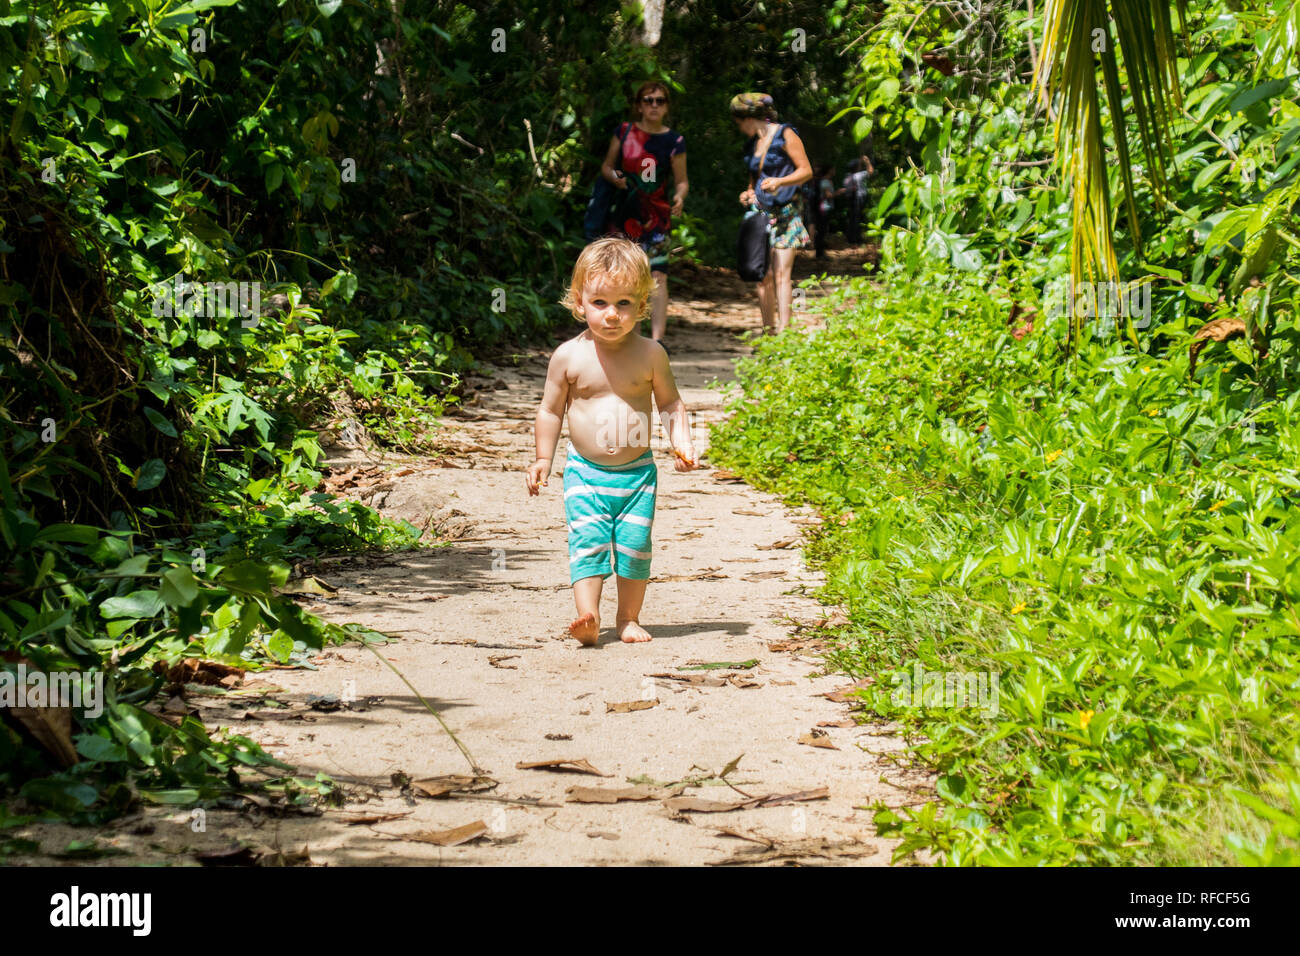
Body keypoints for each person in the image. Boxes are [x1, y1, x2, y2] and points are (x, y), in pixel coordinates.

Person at [526, 237, 699, 646]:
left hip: (637, 476)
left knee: (636, 548)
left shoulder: (651, 354)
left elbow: (670, 402)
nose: (612, 315)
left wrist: (683, 441)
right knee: (588, 542)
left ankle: (627, 618)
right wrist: (542, 458)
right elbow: (550, 411)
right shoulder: (569, 356)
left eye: (624, 303)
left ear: (642, 305)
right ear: (579, 301)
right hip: (585, 474)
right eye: (600, 302)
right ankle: (588, 616)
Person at [599, 81, 688, 346]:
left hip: (657, 215)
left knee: (658, 274)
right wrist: (616, 178)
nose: (653, 106)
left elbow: (682, 180)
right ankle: (632, 339)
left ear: (666, 107)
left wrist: (680, 197)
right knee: (628, 275)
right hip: (626, 211)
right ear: (639, 105)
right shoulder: (624, 132)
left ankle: (658, 341)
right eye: (648, 100)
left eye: (659, 101)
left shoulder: (674, 141)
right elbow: (607, 166)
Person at [730, 92, 813, 335]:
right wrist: (748, 193)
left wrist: (780, 181)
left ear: (748, 117)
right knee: (762, 274)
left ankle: (785, 333)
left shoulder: (785, 134)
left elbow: (806, 171)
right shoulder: (752, 143)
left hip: (788, 211)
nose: (739, 127)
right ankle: (768, 333)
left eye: (739, 121)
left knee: (780, 273)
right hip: (761, 214)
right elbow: (753, 180)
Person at [838, 154, 874, 246]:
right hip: (859, 199)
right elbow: (870, 171)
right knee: (858, 218)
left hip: (851, 199)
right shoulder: (860, 175)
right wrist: (867, 162)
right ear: (857, 167)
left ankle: (850, 237)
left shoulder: (847, 177)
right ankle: (856, 238)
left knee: (851, 218)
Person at [812, 164, 835, 260]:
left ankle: (820, 252)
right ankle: (820, 253)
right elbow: (828, 195)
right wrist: (838, 193)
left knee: (822, 230)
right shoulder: (825, 182)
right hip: (823, 209)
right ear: (829, 171)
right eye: (833, 169)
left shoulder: (822, 181)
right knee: (822, 230)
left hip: (822, 208)